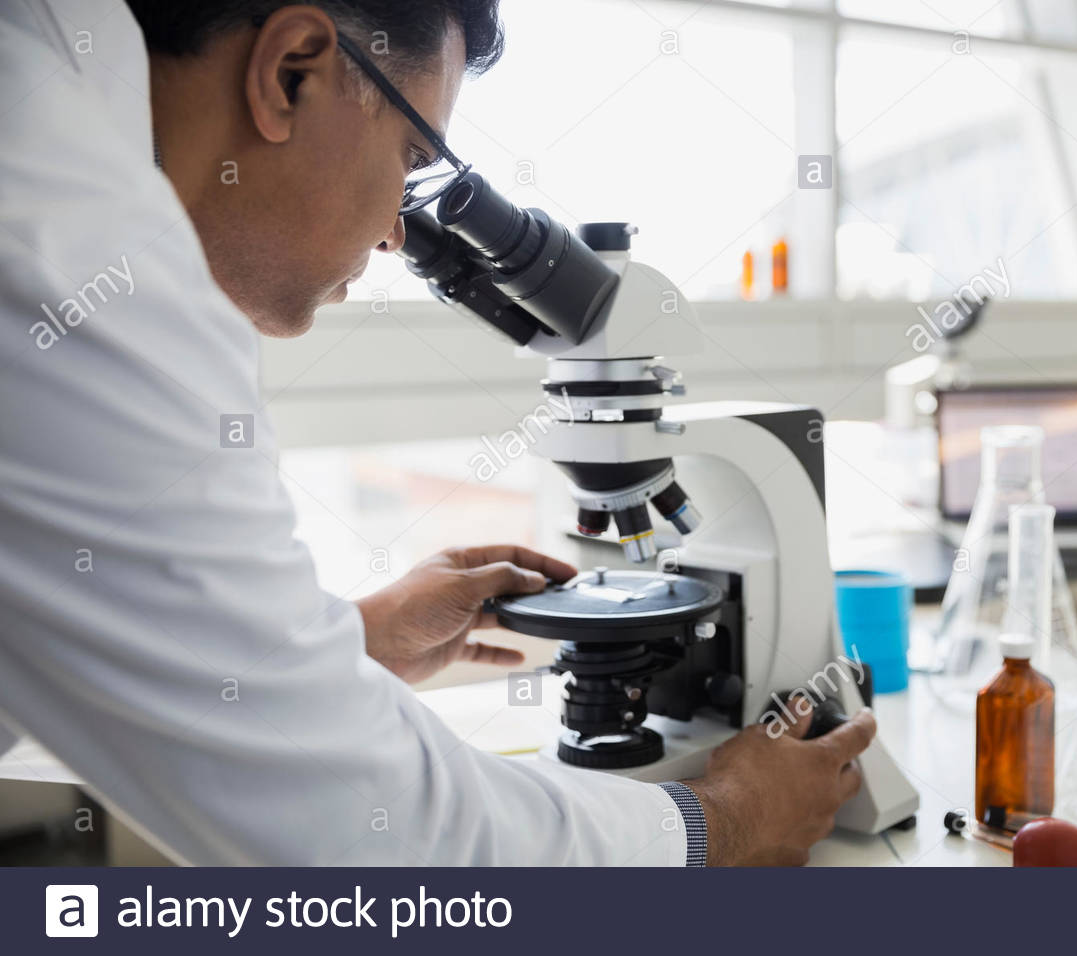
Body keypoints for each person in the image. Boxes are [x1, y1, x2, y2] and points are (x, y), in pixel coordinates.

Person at [0, 0, 876, 866]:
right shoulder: (78, 256)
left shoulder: (48, 131)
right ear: (292, 71)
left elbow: (72, 655)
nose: (395, 235)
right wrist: (721, 822)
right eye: (412, 158)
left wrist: (345, 646)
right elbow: (361, 828)